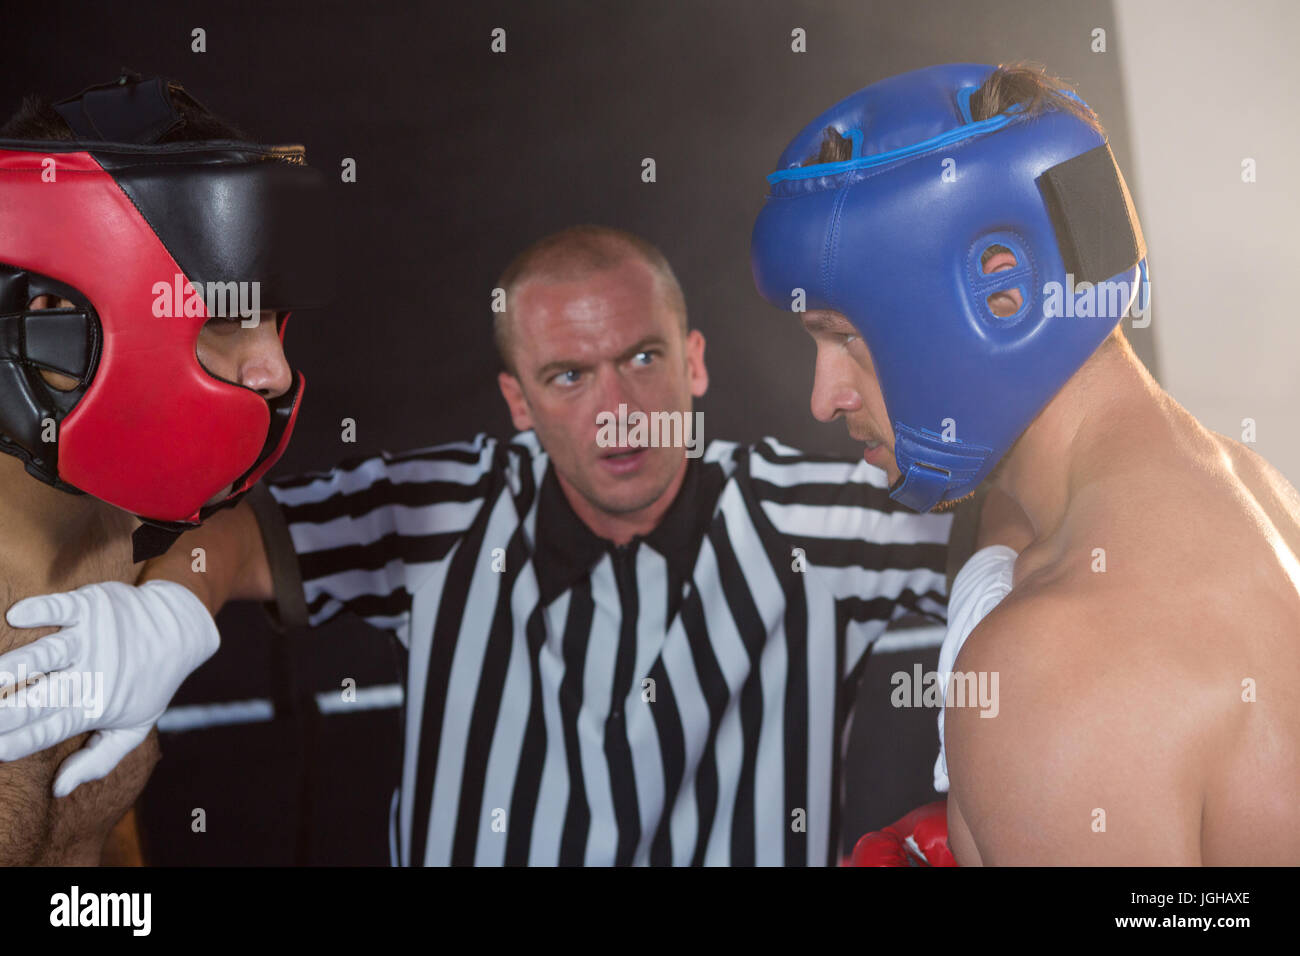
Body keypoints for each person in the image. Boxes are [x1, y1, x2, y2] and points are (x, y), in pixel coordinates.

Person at [4, 224, 961, 865]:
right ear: (519, 403)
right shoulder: (447, 506)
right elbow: (245, 528)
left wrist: (1010, 576)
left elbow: (1042, 518)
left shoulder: (818, 522)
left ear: (695, 361)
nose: (618, 412)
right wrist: (170, 604)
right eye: (567, 376)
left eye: (642, 358)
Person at [753, 62, 1300, 864]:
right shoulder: (1259, 492)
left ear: (996, 299)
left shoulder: (1049, 668)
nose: (825, 396)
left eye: (843, 336)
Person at [0, 71, 331, 863]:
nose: (276, 371)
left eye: (274, 321)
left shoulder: (129, 533)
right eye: (227, 319)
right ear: (56, 320)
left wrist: (176, 609)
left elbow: (82, 831)